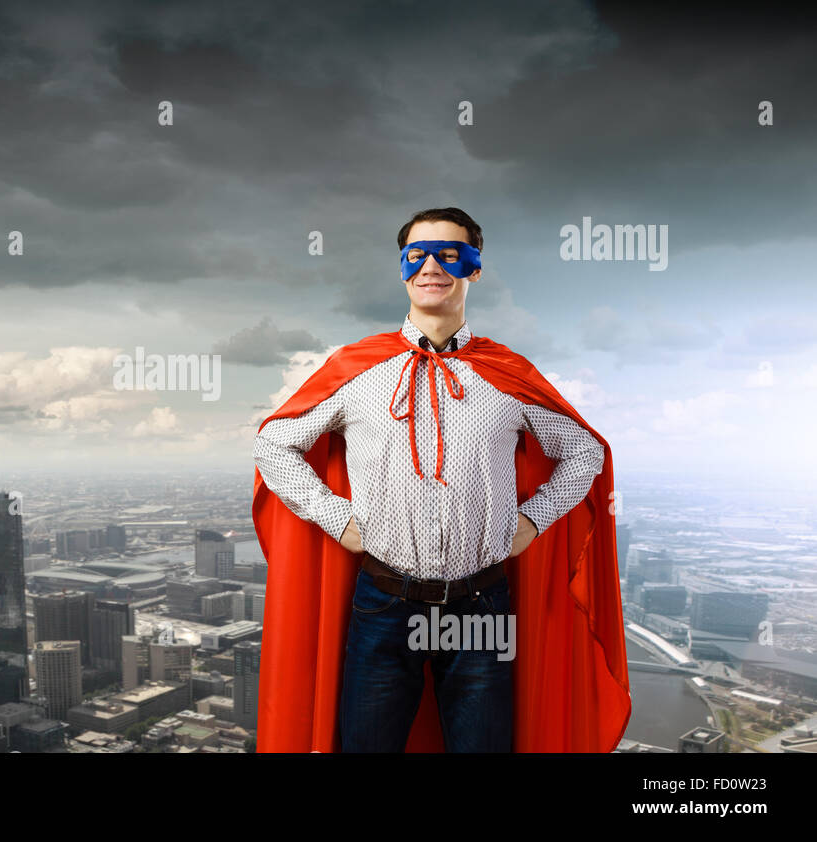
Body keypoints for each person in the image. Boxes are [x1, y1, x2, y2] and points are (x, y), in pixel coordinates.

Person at [251, 207, 629, 752]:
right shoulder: (357, 370)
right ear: (403, 269)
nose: (431, 265)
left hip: (481, 607)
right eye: (417, 253)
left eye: (450, 254)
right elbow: (274, 442)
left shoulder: (507, 373)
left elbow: (585, 452)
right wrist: (336, 519)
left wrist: (531, 521)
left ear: (474, 269)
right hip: (383, 602)